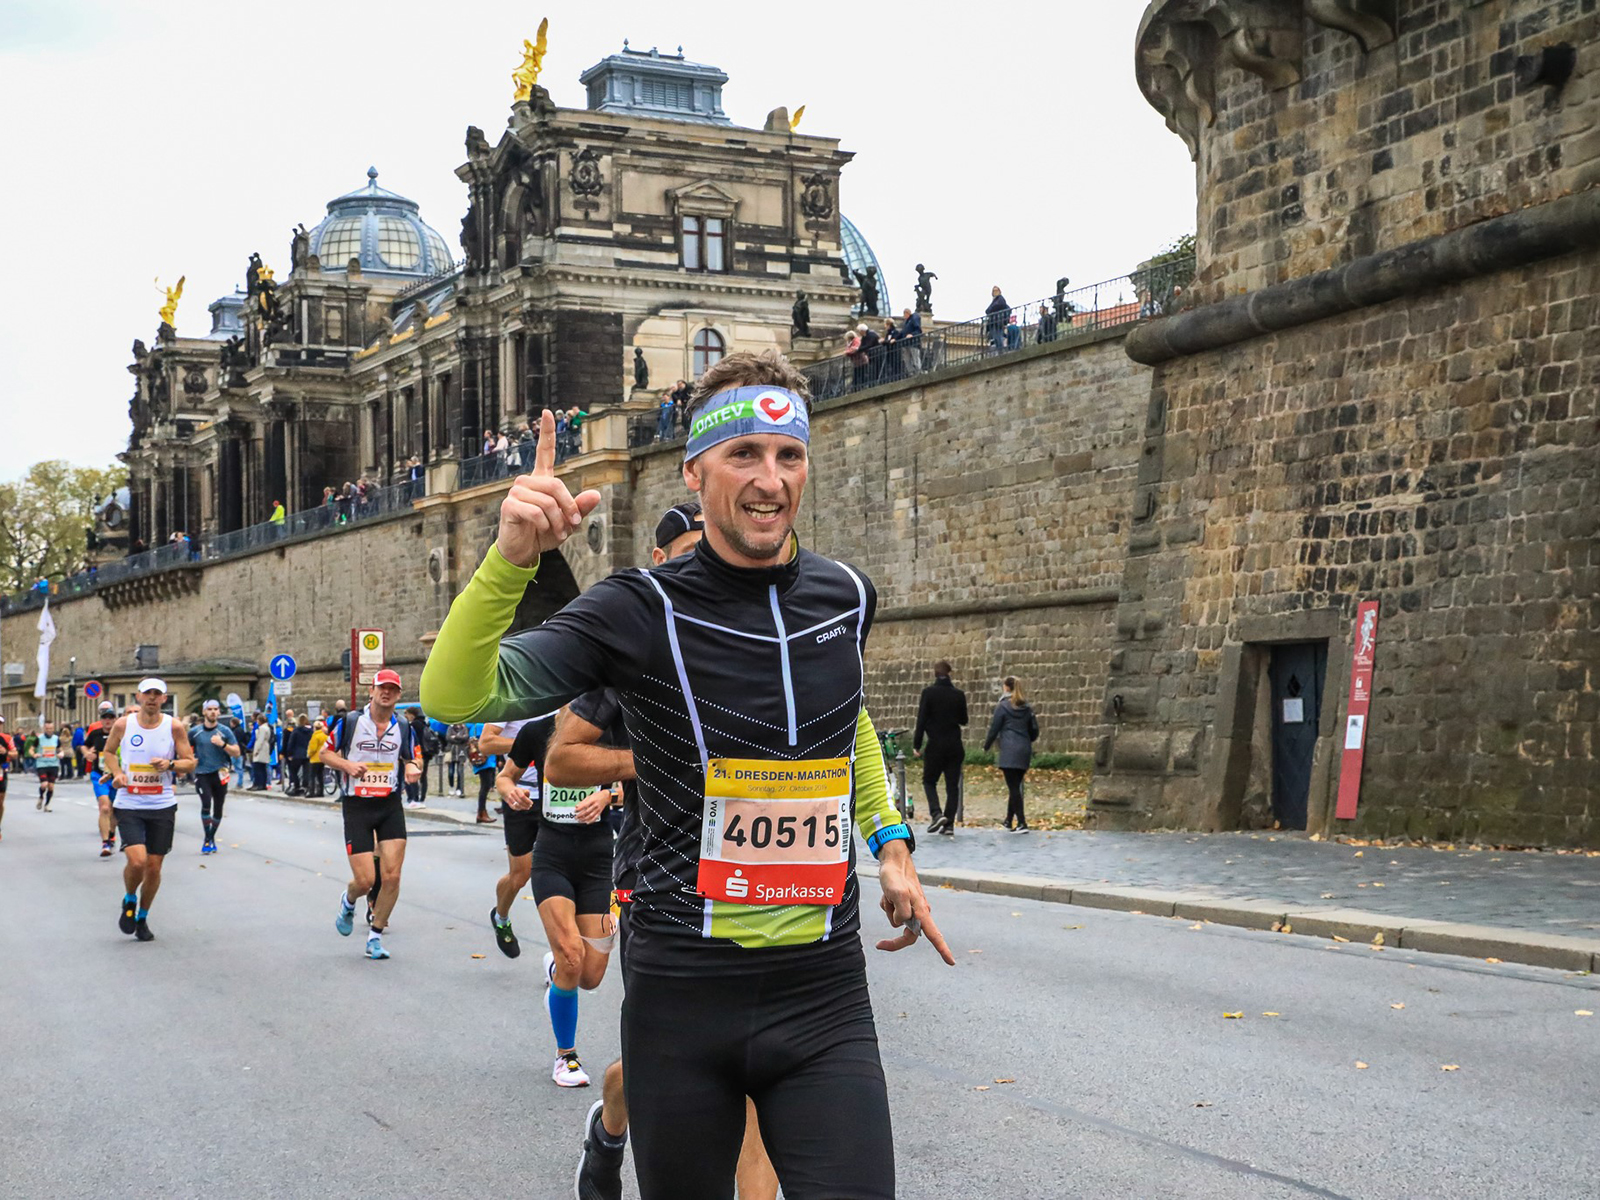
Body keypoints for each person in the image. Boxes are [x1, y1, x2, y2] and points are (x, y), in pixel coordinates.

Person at [422, 352, 952, 1200]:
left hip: (823, 992)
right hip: (683, 990)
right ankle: (605, 1142)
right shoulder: (639, 608)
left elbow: (843, 726)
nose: (769, 480)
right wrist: (512, 556)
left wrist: (892, 846)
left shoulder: (846, 597)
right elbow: (455, 693)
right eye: (743, 453)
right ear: (695, 468)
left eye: (788, 456)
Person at [566, 499, 780, 1200]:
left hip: (767, 882)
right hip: (664, 886)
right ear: (661, 561)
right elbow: (563, 760)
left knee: (758, 1072)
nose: (705, 563)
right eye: (690, 551)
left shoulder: (765, 635)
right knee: (664, 1064)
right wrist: (656, 758)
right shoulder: (634, 643)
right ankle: (611, 1125)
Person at [494, 714, 616, 1087]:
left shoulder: (611, 730)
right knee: (572, 956)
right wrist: (508, 790)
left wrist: (608, 793)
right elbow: (504, 775)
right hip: (552, 856)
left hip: (597, 860)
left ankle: (555, 972)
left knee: (590, 977)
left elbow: (642, 778)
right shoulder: (537, 731)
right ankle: (566, 1056)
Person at [321, 669, 422, 960]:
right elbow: (324, 754)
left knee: (392, 876)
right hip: (357, 805)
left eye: (392, 689)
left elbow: (412, 757)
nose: (386, 693)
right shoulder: (351, 722)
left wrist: (413, 767)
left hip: (389, 804)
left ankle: (375, 936)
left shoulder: (403, 727)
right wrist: (347, 766)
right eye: (382, 688)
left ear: (399, 695)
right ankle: (350, 900)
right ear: (372, 691)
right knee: (365, 881)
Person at [103, 679, 197, 941]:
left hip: (162, 804)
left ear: (164, 699)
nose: (152, 698)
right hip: (130, 803)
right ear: (139, 697)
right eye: (148, 694)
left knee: (154, 867)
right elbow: (109, 752)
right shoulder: (124, 724)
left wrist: (170, 764)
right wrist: (118, 773)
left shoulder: (173, 726)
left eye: (157, 694)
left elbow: (189, 763)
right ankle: (130, 898)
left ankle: (142, 918)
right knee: (137, 861)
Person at [913, 661, 968, 835]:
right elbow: (964, 720)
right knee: (952, 786)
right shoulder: (958, 695)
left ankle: (936, 813)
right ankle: (949, 823)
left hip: (935, 744)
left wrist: (917, 744)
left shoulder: (928, 693)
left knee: (929, 781)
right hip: (954, 745)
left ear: (935, 674)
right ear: (950, 673)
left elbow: (921, 720)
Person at [984, 676, 1040, 832]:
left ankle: (1022, 822)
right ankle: (1009, 820)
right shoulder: (1027, 708)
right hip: (1023, 749)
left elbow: (994, 729)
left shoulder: (1002, 707)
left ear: (1006, 688)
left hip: (1009, 749)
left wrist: (986, 746)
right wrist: (1027, 739)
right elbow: (1034, 730)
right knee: (1015, 786)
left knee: (1014, 787)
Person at [189, 700, 240, 853]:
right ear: (204, 712)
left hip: (220, 773)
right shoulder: (195, 732)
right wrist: (190, 759)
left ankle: (211, 837)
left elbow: (236, 752)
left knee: (218, 807)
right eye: (209, 709)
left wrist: (222, 744)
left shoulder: (225, 731)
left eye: (215, 709)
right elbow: (184, 747)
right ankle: (207, 839)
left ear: (219, 712)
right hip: (202, 773)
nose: (212, 712)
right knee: (206, 804)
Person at [84, 703, 119, 856]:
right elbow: (84, 746)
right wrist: (87, 754)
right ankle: (105, 843)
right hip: (99, 775)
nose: (108, 721)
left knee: (115, 810)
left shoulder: (121, 734)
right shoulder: (95, 734)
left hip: (116, 775)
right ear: (101, 720)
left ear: (115, 719)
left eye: (110, 718)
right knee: (105, 807)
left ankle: (111, 834)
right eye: (105, 718)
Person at [405, 708, 437, 806]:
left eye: (406, 713)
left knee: (413, 774)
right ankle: (422, 798)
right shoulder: (424, 723)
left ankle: (414, 798)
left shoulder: (414, 725)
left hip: (417, 753)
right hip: (426, 752)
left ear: (412, 715)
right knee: (423, 776)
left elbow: (412, 739)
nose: (405, 716)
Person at [35, 719, 62, 811]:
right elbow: (31, 749)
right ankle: (41, 796)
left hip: (53, 764)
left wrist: (61, 753)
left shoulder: (56, 739)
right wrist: (34, 754)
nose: (49, 730)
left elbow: (60, 749)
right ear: (44, 728)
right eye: (47, 728)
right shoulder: (39, 738)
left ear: (53, 728)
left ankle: (46, 805)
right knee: (44, 784)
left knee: (51, 786)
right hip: (42, 764)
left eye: (51, 728)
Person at [444, 720, 470, 796]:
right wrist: (459, 738)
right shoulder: (450, 727)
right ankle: (451, 786)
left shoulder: (464, 728)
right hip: (451, 752)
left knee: (460, 772)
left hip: (461, 752)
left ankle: (459, 788)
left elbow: (466, 738)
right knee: (451, 772)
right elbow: (448, 738)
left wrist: (455, 737)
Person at [307, 715, 329, 798]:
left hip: (314, 759)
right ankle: (321, 791)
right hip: (322, 759)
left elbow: (312, 748)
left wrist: (309, 754)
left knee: (312, 776)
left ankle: (311, 792)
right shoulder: (325, 736)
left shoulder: (315, 736)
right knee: (320, 776)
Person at [249, 713, 273, 790]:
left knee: (258, 767)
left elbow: (260, 740)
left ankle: (258, 784)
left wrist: (256, 751)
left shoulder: (262, 728)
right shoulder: (267, 727)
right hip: (265, 747)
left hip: (261, 749)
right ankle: (263, 784)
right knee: (263, 768)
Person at [985, 285, 1009, 352]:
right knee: (995, 337)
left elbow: (997, 306)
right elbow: (987, 310)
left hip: (997, 322)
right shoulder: (995, 300)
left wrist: (990, 310)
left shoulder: (1000, 299)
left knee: (998, 337)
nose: (995, 292)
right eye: (994, 291)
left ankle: (1000, 351)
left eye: (996, 290)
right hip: (994, 322)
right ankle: (998, 350)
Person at [0, 716, 12, 843]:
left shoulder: (6, 738)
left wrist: (6, 752)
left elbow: (15, 753)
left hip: (1, 771)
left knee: (0, 800)